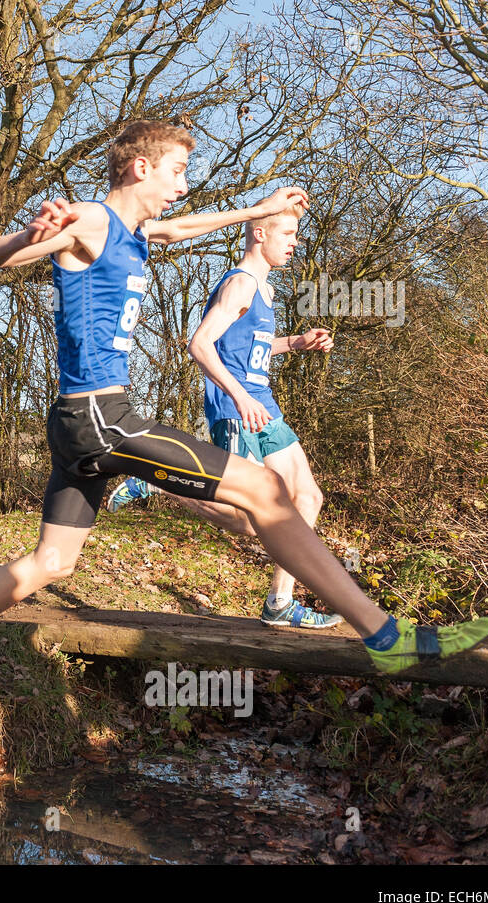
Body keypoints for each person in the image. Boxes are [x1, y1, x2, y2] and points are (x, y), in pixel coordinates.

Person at [0, 120, 488, 707]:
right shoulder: (91, 219)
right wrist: (21, 239)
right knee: (266, 489)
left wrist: (254, 211)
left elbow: (181, 227)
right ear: (141, 168)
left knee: (52, 561)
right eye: (177, 171)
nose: (181, 184)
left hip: (76, 423)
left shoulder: (136, 231)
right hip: (100, 417)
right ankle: (385, 636)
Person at [107, 207, 342, 628]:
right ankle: (159, 481)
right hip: (236, 408)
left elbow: (246, 348)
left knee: (308, 498)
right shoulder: (239, 285)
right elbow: (199, 344)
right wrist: (237, 395)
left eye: (296, 235)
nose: (294, 242)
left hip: (263, 405)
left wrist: (296, 342)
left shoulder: (266, 292)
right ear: (258, 233)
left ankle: (280, 603)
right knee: (252, 521)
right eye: (287, 233)